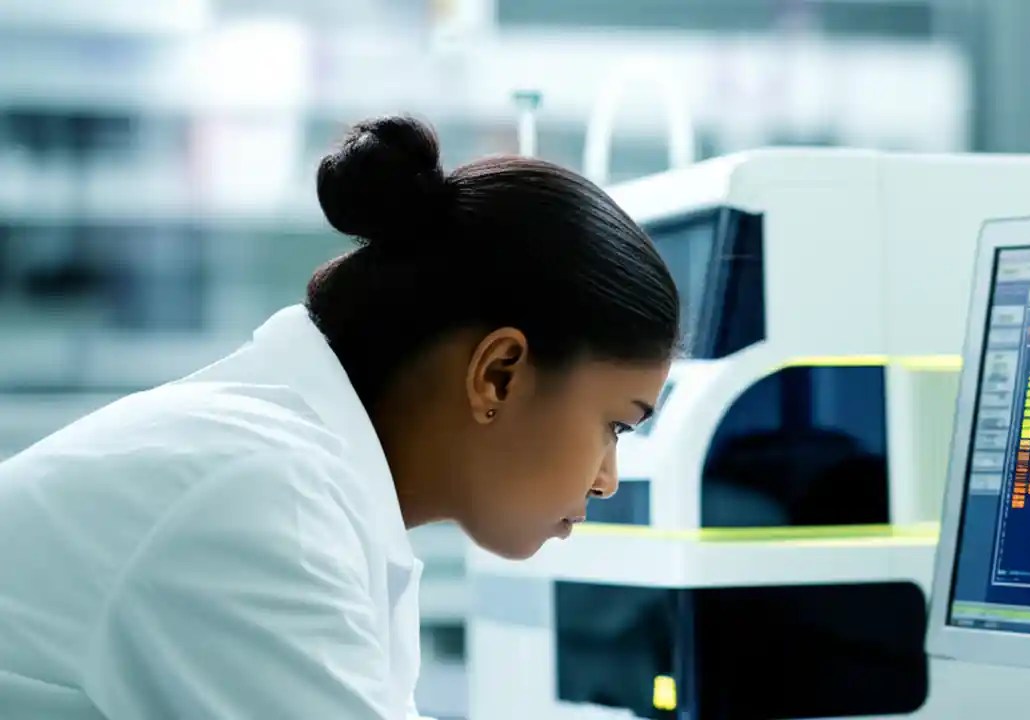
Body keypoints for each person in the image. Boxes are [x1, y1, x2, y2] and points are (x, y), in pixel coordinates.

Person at [0, 115, 680, 718]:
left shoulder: (305, 485)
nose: (607, 480)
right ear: (497, 374)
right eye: (615, 425)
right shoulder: (260, 498)